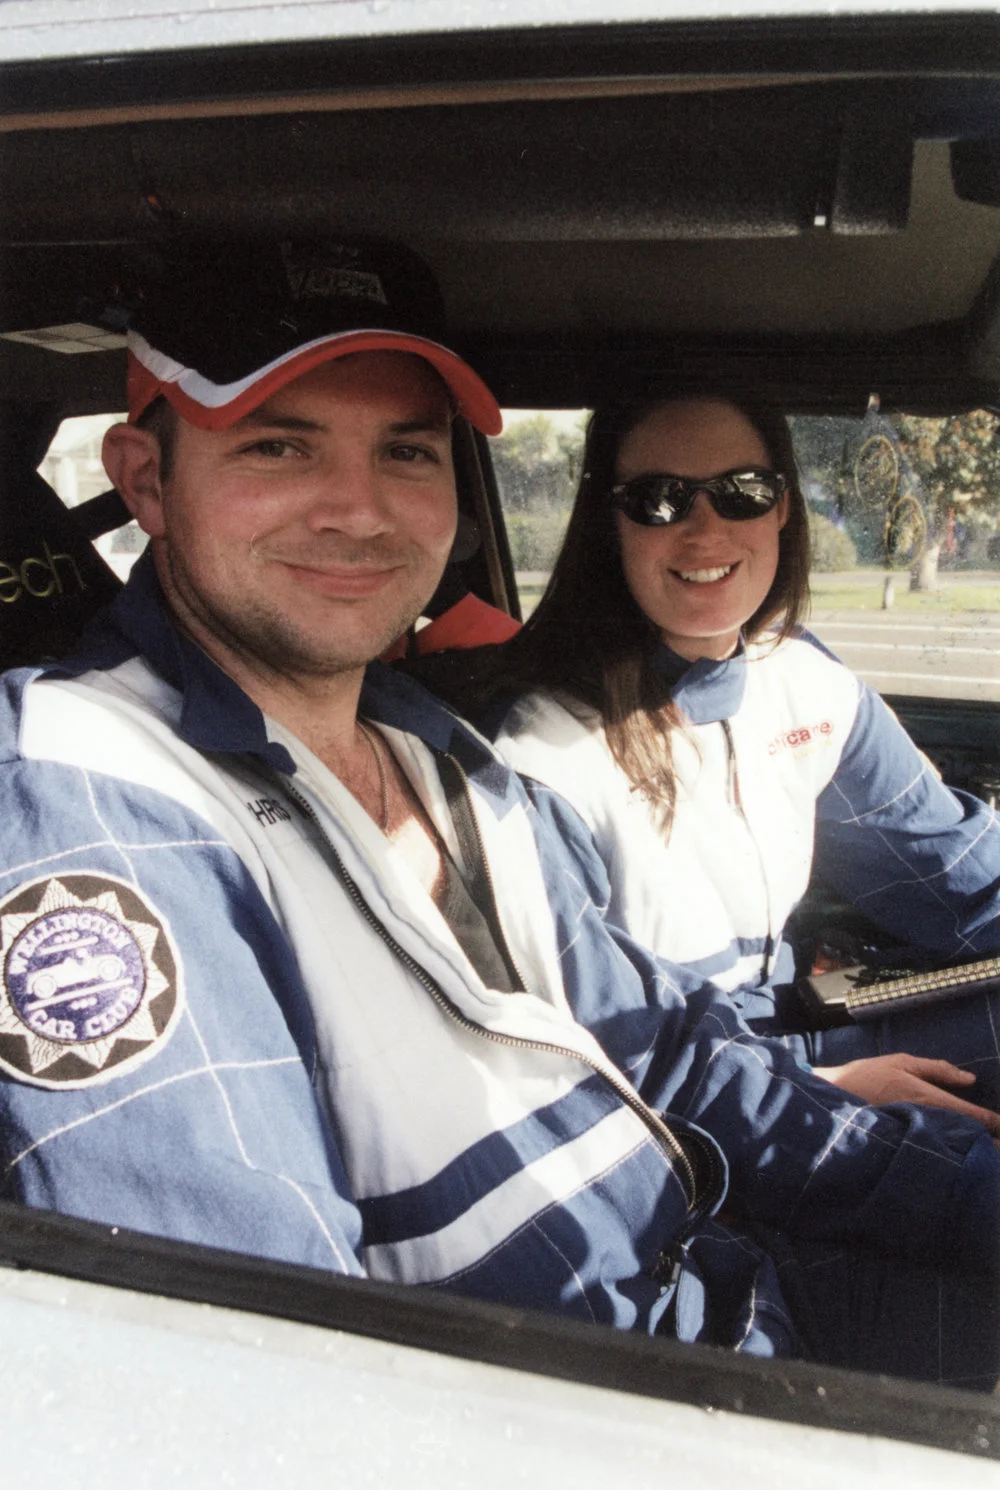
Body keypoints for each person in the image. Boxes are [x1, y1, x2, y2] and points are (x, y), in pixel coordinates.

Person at [0, 246, 997, 1388]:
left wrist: (964, 1193)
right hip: (583, 1402)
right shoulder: (90, 795)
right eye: (278, 443)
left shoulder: (437, 751)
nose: (359, 510)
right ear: (143, 478)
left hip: (710, 1285)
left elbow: (667, 1047)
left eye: (406, 451)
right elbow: (237, 1372)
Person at [462, 393, 1000, 1121]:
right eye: (659, 500)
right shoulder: (538, 753)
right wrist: (824, 1094)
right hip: (682, 1093)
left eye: (743, 493)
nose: (704, 531)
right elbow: (585, 1055)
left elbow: (957, 879)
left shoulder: (805, 685)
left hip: (796, 1034)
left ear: (783, 509)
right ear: (609, 525)